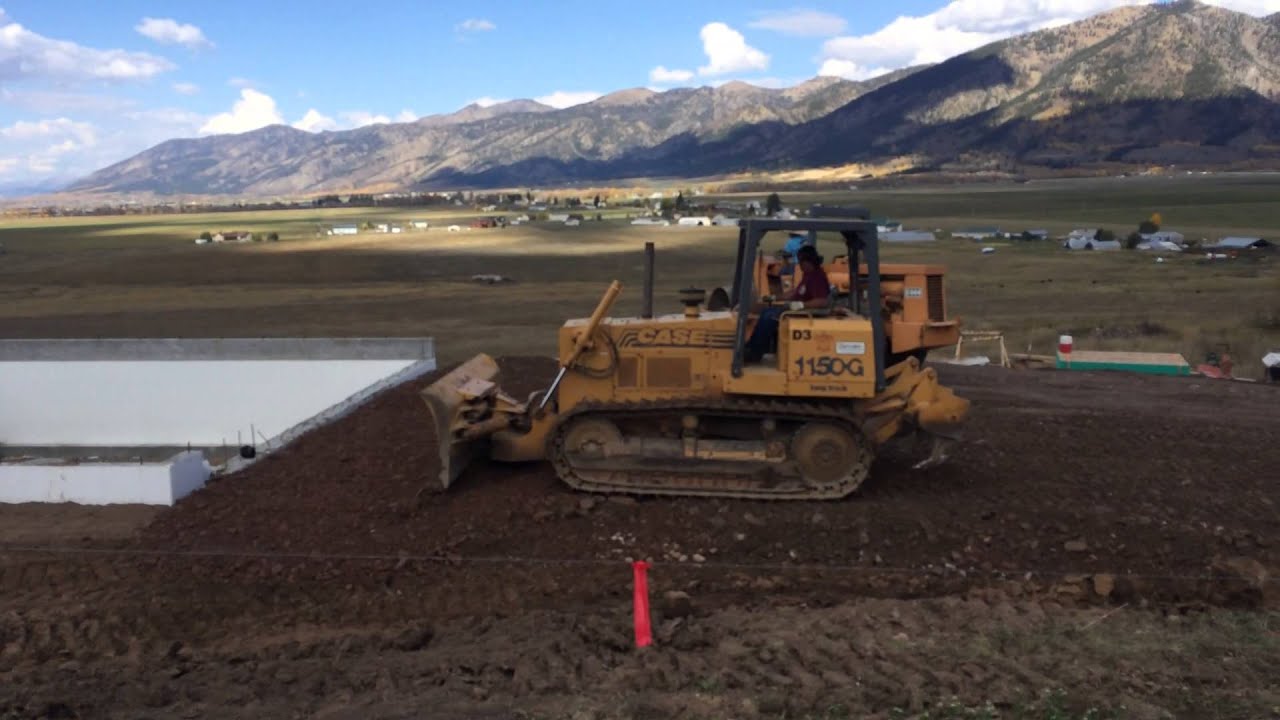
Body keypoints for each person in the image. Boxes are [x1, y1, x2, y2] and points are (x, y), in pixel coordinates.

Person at [744, 245, 830, 362]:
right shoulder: (808, 275)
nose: (799, 265)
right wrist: (774, 297)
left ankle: (755, 352)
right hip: (800, 310)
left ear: (808, 262)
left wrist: (801, 305)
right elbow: (795, 292)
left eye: (801, 262)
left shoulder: (817, 277)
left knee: (769, 317)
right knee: (766, 312)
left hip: (806, 312)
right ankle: (753, 347)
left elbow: (822, 301)